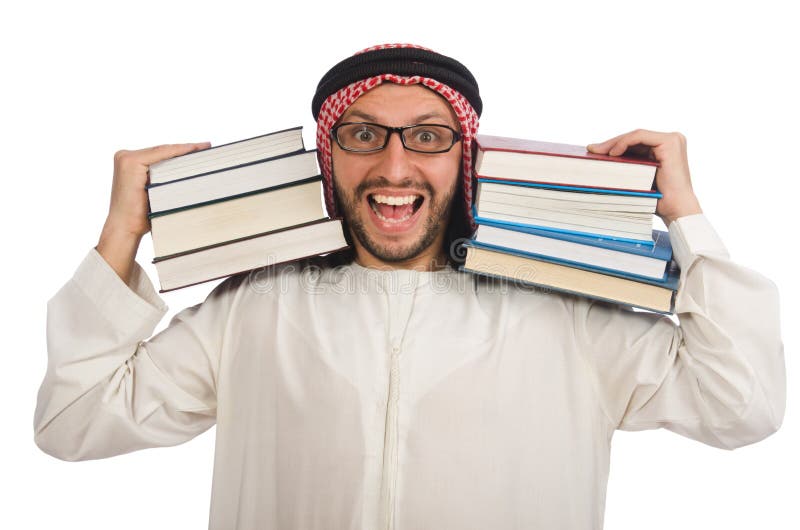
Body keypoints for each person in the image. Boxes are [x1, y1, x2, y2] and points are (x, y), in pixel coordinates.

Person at [34, 44, 785, 530]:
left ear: (467, 157)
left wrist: (683, 212)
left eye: (427, 136)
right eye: (363, 135)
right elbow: (72, 421)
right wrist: (122, 233)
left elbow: (742, 402)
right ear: (328, 157)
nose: (394, 167)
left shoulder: (565, 315)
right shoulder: (256, 310)